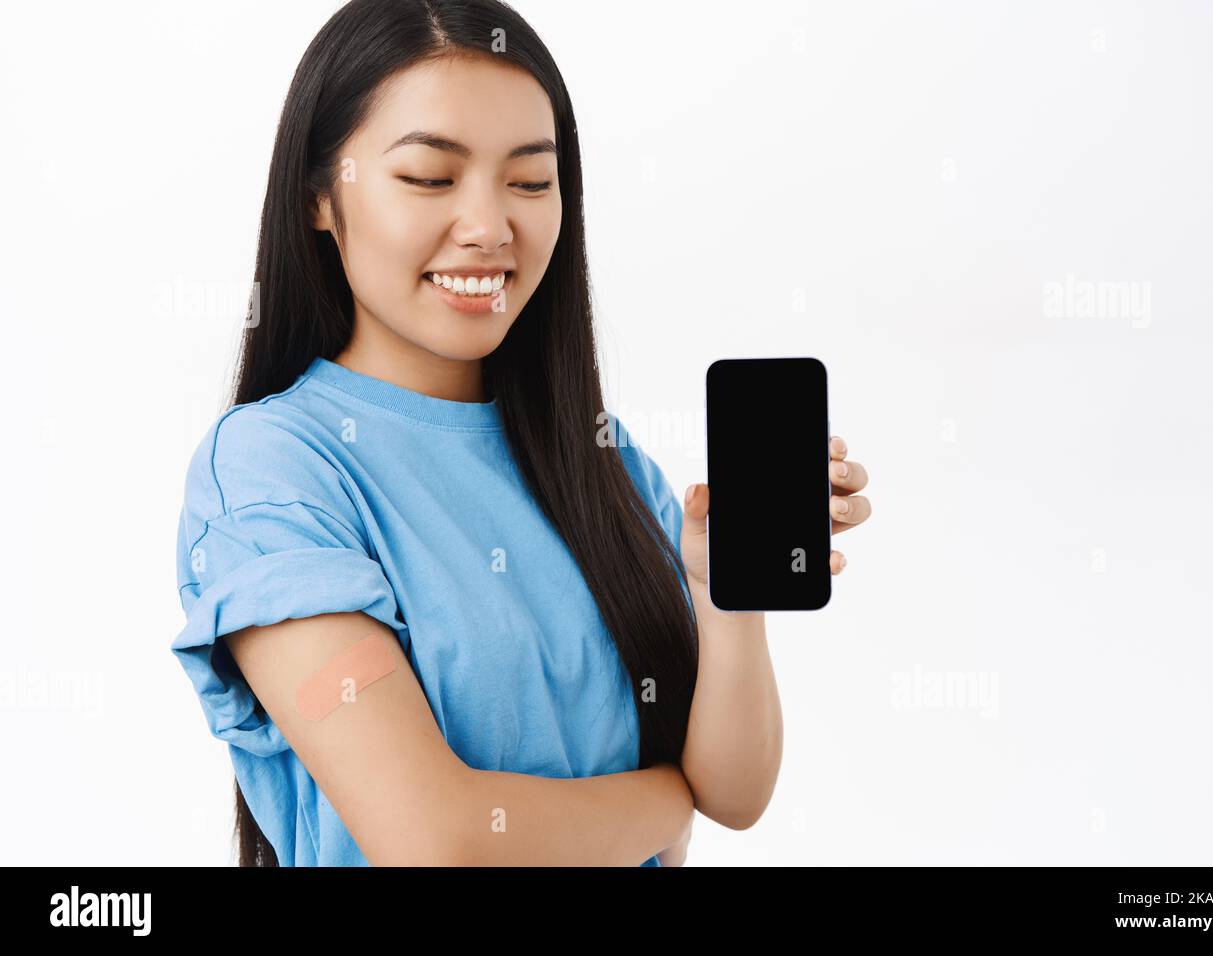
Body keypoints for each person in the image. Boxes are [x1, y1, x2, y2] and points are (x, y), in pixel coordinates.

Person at [172, 0, 868, 867]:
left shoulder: (602, 462)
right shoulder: (273, 471)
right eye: (431, 176)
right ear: (320, 196)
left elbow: (733, 793)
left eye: (531, 182)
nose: (490, 228)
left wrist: (725, 593)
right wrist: (660, 806)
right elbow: (434, 839)